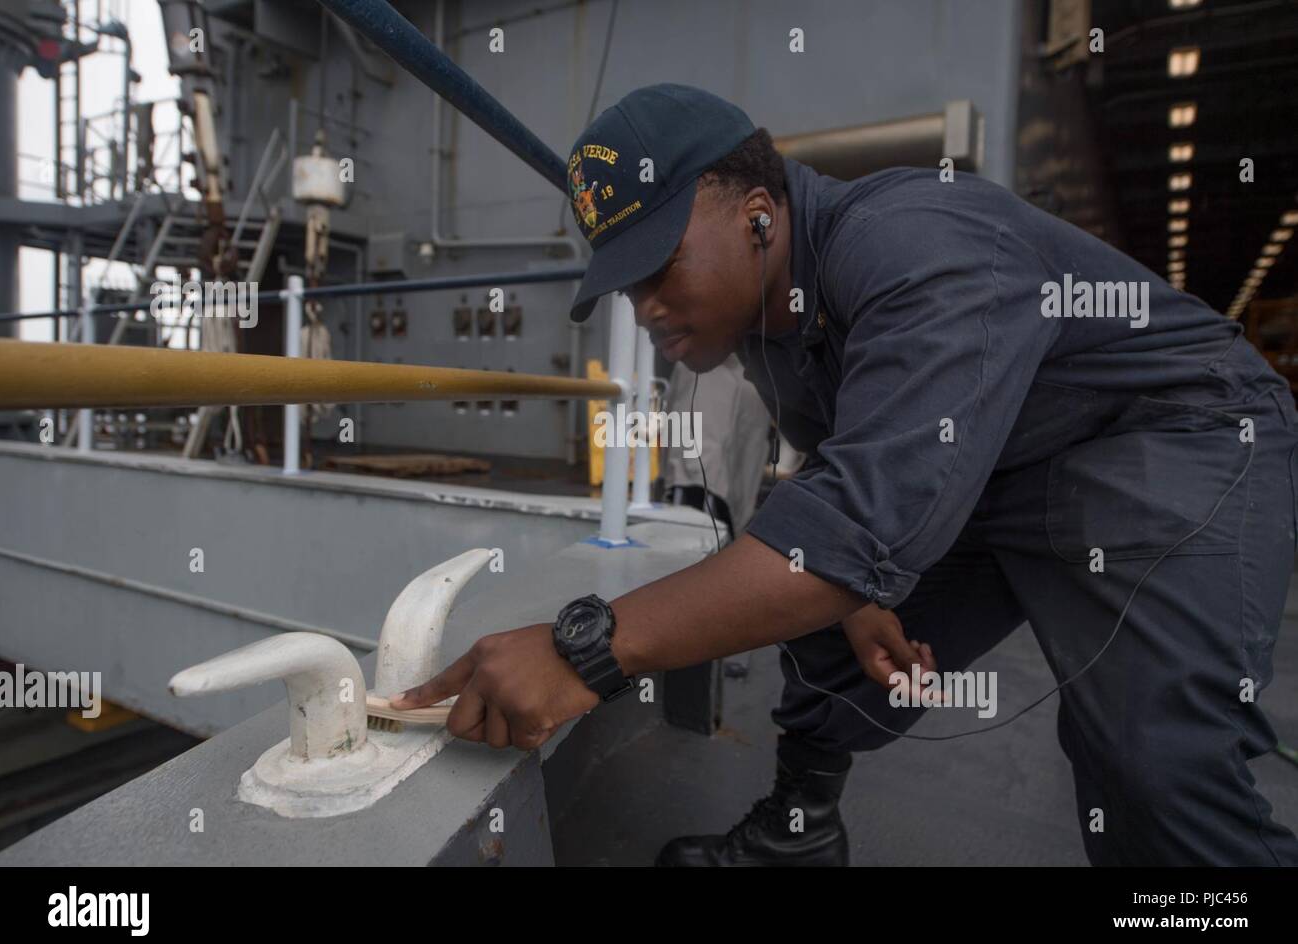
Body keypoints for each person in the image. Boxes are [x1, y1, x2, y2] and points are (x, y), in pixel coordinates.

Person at [391, 84, 1298, 867]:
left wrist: (585, 651)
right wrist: (857, 594)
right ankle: (799, 833)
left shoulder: (918, 240)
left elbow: (860, 524)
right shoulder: (767, 328)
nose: (648, 307)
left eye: (660, 266)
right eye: (628, 288)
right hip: (1003, 465)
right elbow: (836, 480)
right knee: (822, 633)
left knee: (1155, 762)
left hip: (1170, 434)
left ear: (758, 212)